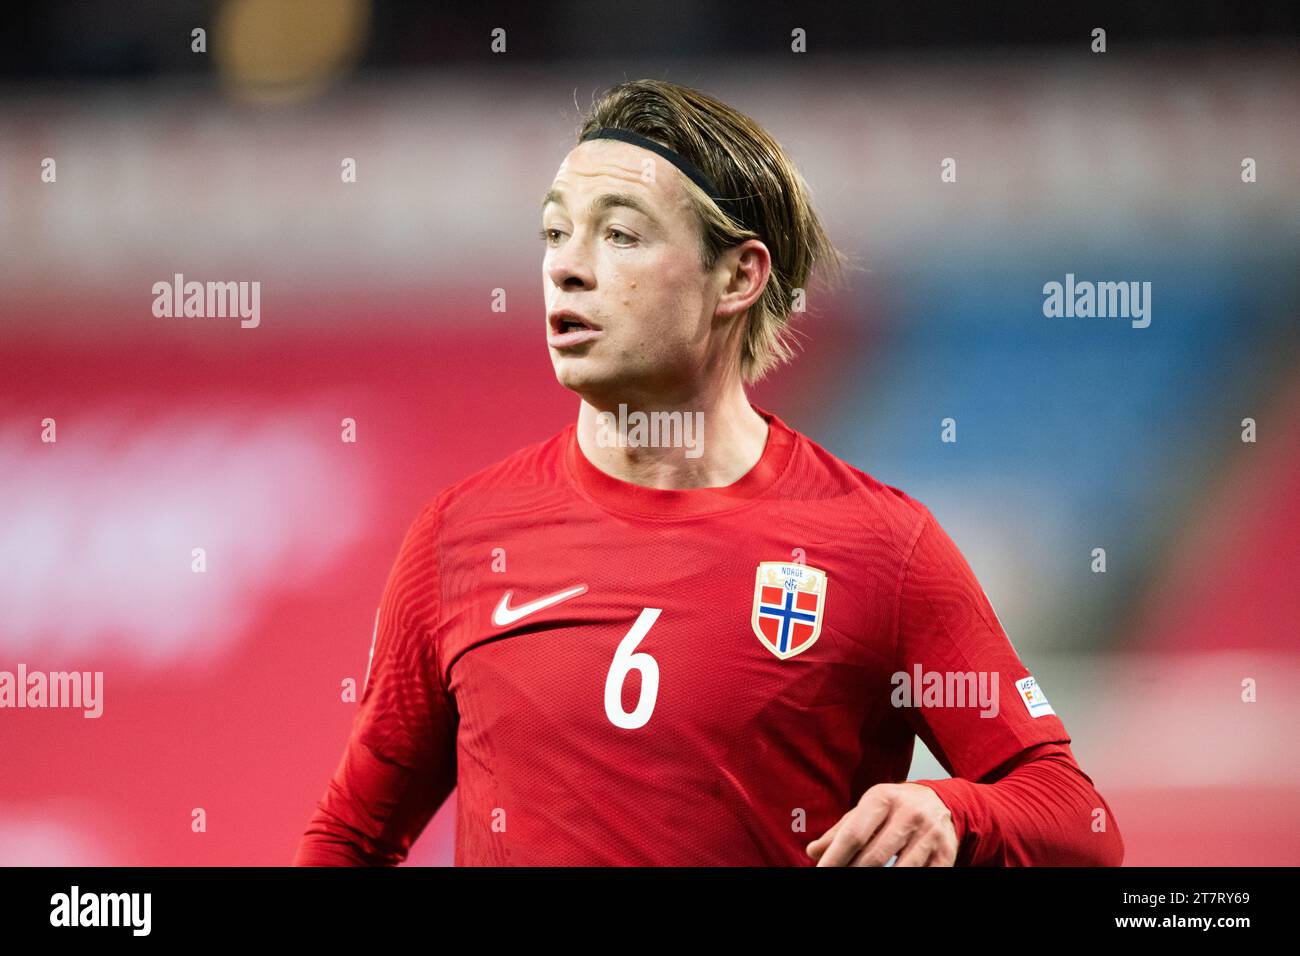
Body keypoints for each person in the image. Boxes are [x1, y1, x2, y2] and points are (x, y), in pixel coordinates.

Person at [293, 78, 1123, 867]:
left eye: (619, 234)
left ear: (738, 276)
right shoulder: (462, 536)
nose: (566, 267)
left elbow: (1075, 819)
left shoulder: (879, 548)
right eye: (555, 232)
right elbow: (351, 836)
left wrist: (953, 812)